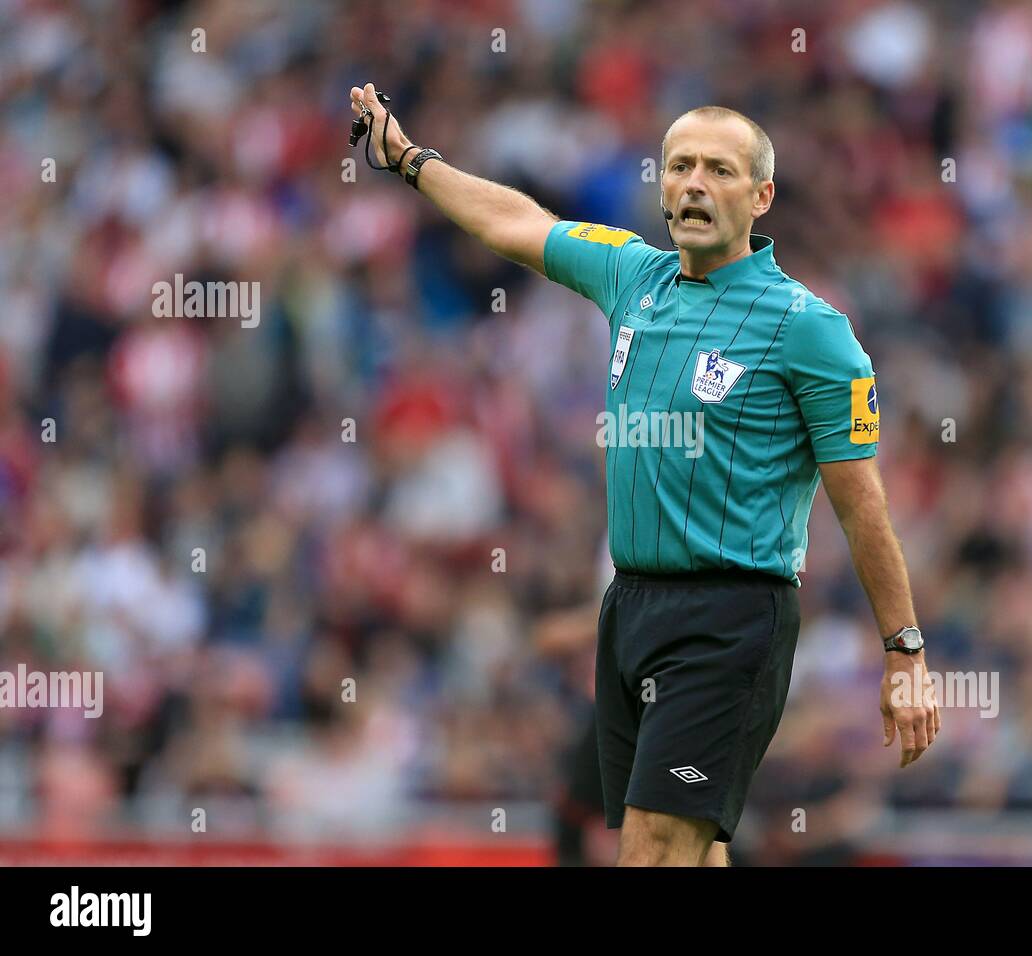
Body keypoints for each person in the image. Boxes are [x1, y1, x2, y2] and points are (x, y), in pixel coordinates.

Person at [348, 84, 940, 866]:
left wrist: (904, 654)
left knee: (654, 847)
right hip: (630, 610)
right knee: (681, 846)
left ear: (762, 195)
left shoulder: (810, 330)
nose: (694, 183)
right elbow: (519, 222)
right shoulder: (633, 275)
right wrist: (411, 160)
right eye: (680, 166)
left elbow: (861, 504)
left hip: (730, 619)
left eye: (719, 171)